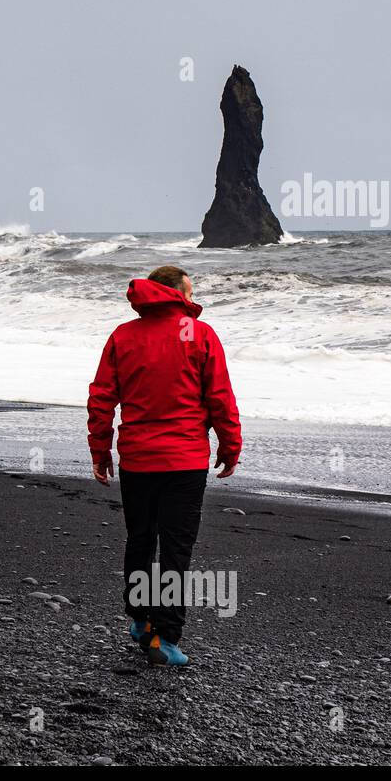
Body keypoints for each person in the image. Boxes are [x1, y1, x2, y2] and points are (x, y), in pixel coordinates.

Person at [86, 265, 241, 666]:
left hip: (137, 457)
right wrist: (230, 444)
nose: (193, 297)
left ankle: (140, 620)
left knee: (140, 539)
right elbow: (220, 396)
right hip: (185, 460)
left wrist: (100, 450)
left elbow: (102, 398)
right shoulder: (199, 335)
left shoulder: (124, 335)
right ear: (174, 293)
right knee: (176, 549)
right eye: (189, 290)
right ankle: (165, 639)